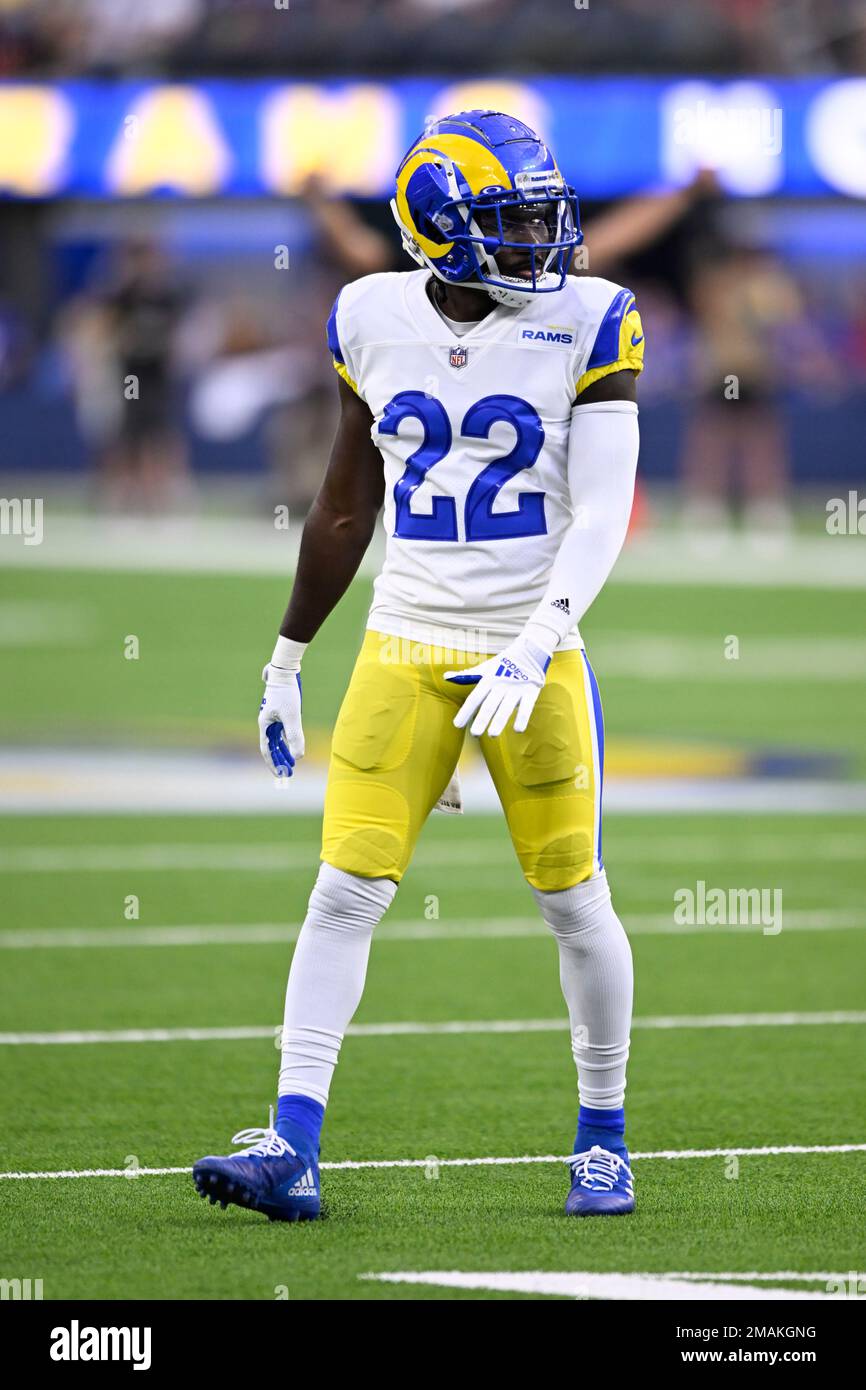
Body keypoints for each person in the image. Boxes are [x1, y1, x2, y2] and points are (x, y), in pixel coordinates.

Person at [194, 109, 644, 1222]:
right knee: (342, 890)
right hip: (405, 641)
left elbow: (601, 512)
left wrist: (534, 643)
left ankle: (602, 1138)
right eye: (512, 221)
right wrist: (286, 656)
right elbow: (347, 502)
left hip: (530, 647)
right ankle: (292, 1147)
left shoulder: (593, 318)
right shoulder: (366, 314)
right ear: (441, 231)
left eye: (542, 215)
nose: (542, 239)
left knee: (572, 899)